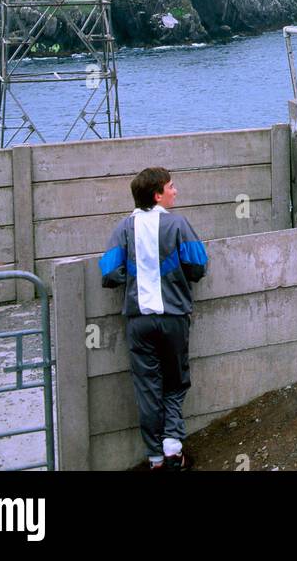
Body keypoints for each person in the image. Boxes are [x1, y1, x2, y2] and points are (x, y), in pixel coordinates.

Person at [99, 167, 208, 470]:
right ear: (157, 194)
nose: (176, 191)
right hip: (173, 318)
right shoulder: (177, 224)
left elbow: (108, 273)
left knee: (148, 390)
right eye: (172, 187)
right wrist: (175, 277)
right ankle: (174, 450)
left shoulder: (123, 228)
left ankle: (155, 459)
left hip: (139, 321)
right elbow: (199, 265)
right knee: (175, 382)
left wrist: (134, 275)